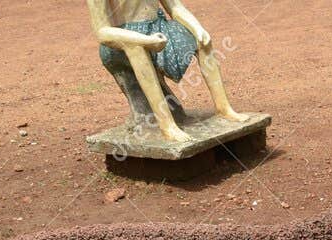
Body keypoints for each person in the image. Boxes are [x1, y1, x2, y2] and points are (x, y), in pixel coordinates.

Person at [86, 0, 251, 143]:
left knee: (203, 40)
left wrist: (197, 27)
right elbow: (102, 33)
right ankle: (167, 126)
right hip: (123, 40)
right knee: (138, 49)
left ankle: (224, 108)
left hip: (158, 28)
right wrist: (146, 40)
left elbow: (175, 7)